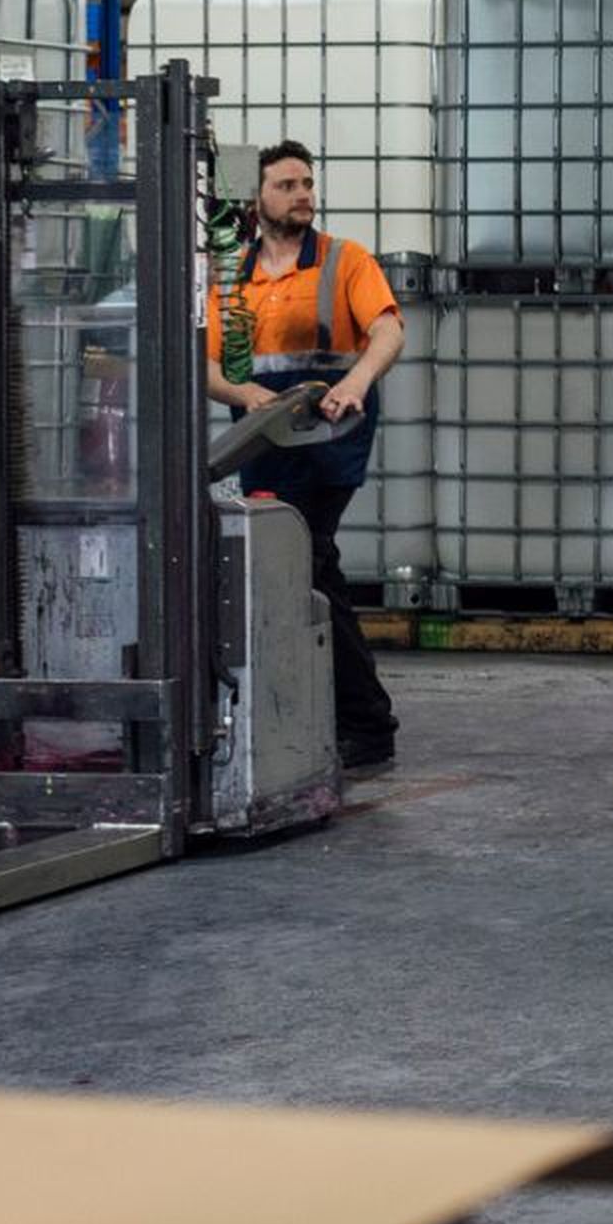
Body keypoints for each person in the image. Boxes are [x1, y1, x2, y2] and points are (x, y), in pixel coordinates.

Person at [203, 140, 405, 772]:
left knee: (302, 564)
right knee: (306, 574)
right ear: (256, 199)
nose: (302, 196)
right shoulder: (232, 275)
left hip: (327, 441)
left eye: (307, 184)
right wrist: (244, 394)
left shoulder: (345, 260)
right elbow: (206, 364)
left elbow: (388, 330)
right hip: (264, 444)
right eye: (286, 185)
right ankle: (337, 719)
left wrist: (357, 383)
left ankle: (363, 724)